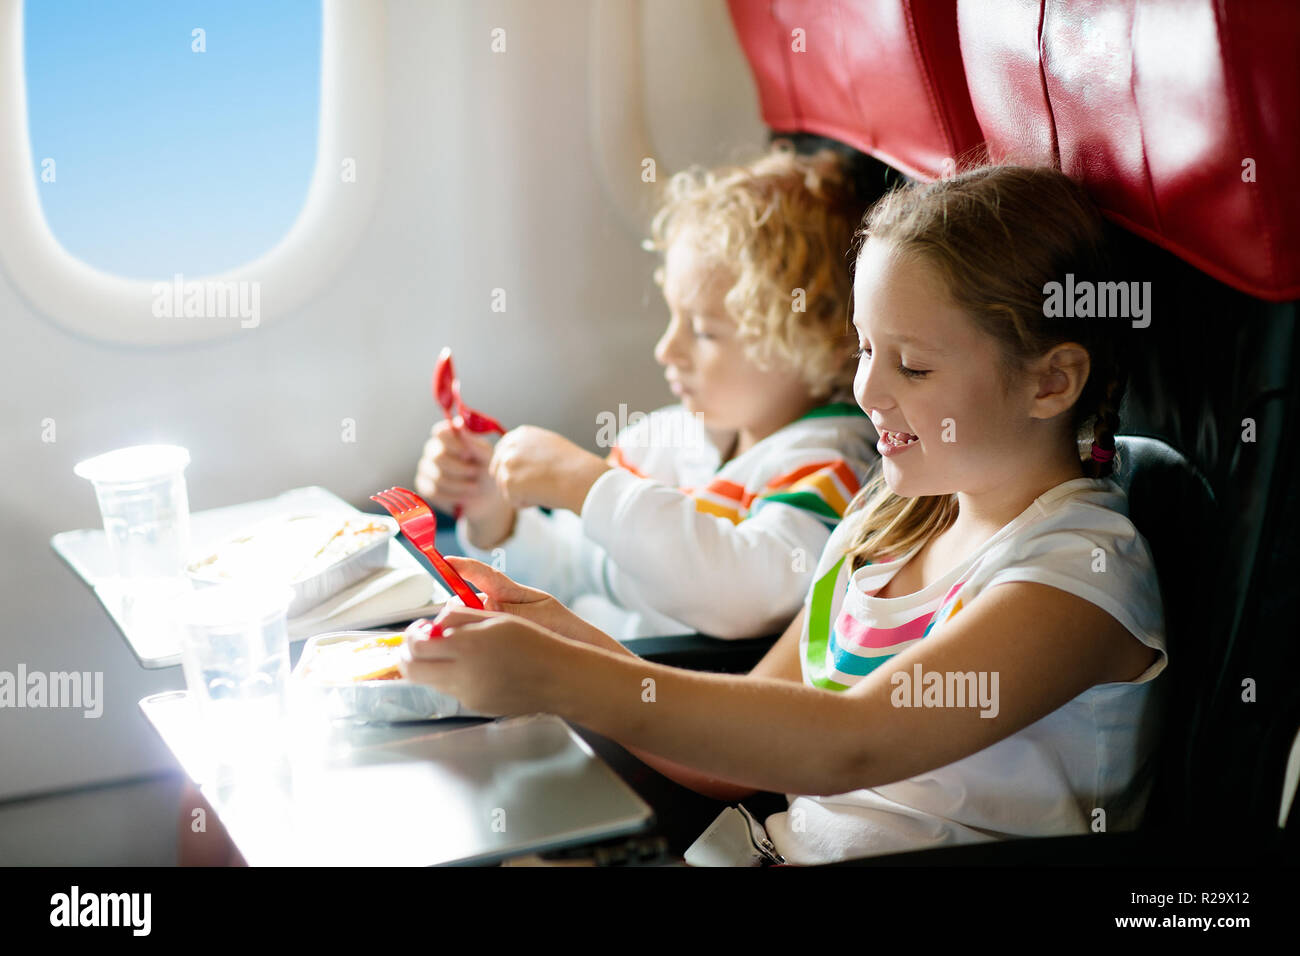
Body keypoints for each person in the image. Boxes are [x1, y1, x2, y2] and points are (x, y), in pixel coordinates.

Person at [402, 164, 1166, 864]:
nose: (867, 391)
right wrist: (553, 633)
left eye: (914, 365)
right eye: (865, 349)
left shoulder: (1074, 574)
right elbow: (733, 757)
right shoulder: (889, 524)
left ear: (1050, 383)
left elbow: (850, 745)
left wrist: (564, 678)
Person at [415, 142, 878, 640]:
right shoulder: (667, 440)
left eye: (703, 332)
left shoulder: (831, 467)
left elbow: (746, 598)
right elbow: (574, 572)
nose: (665, 349)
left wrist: (586, 485)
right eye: (673, 317)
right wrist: (494, 513)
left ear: (819, 341)